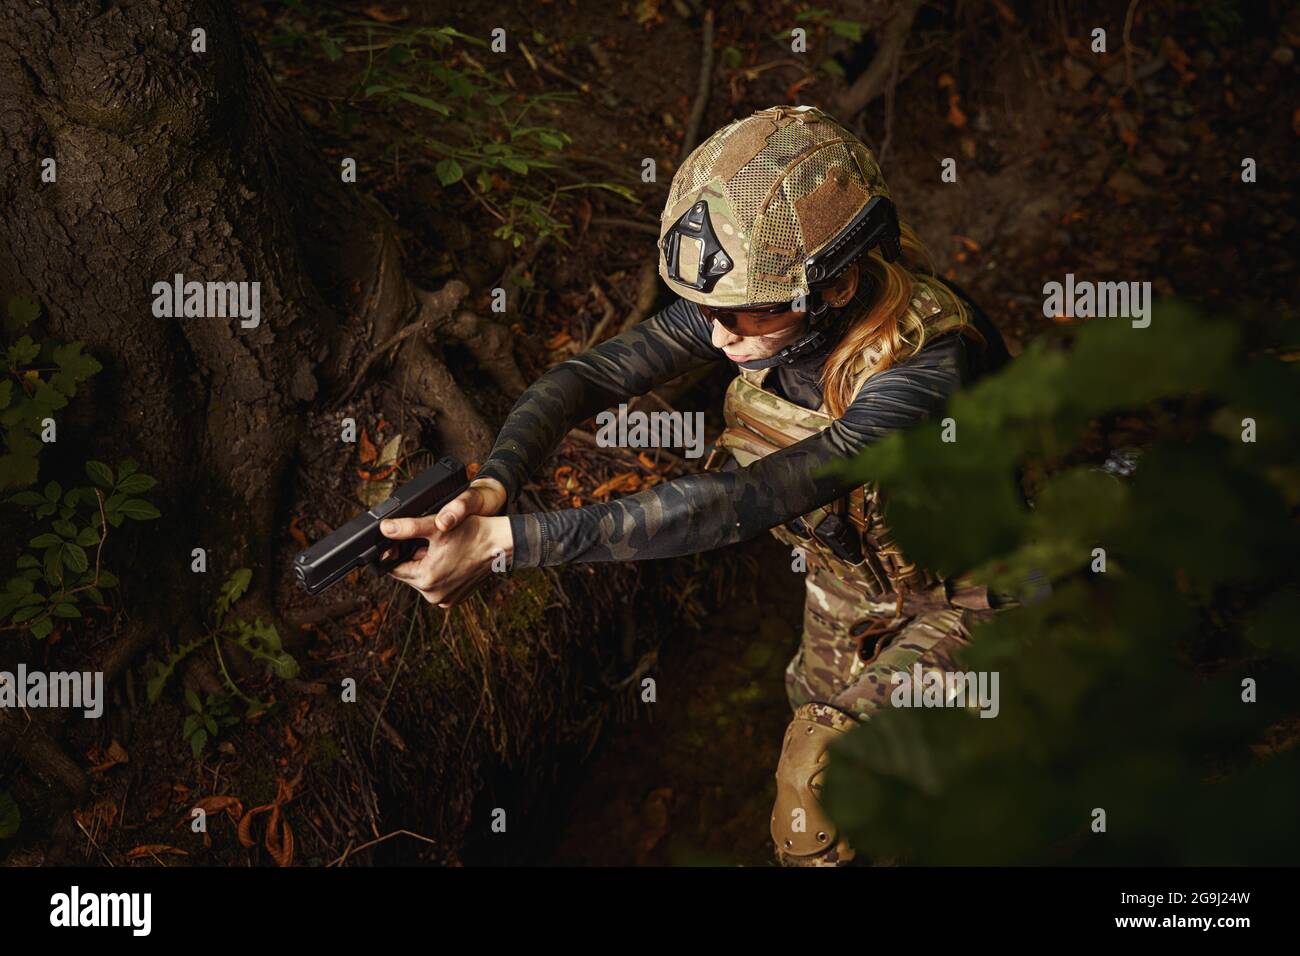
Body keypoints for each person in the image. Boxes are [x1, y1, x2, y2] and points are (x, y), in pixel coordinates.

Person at [380, 105, 1010, 866]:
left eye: (737, 317)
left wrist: (508, 545)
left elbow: (747, 502)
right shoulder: (761, 307)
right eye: (706, 312)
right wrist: (495, 489)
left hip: (979, 593)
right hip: (851, 585)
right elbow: (587, 376)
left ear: (835, 288)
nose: (716, 338)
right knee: (832, 750)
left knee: (817, 791)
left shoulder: (921, 374)